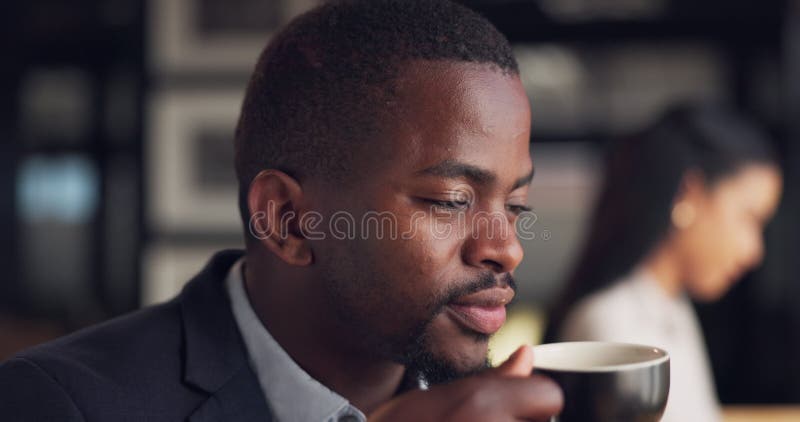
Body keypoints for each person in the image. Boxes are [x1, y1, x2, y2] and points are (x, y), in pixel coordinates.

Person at [0, 1, 565, 420]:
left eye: (516, 204)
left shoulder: (501, 406)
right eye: (451, 201)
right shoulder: (59, 404)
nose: (507, 247)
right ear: (288, 220)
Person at [544, 104, 783, 422]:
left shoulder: (671, 307)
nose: (754, 251)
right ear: (690, 193)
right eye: (748, 219)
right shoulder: (611, 328)